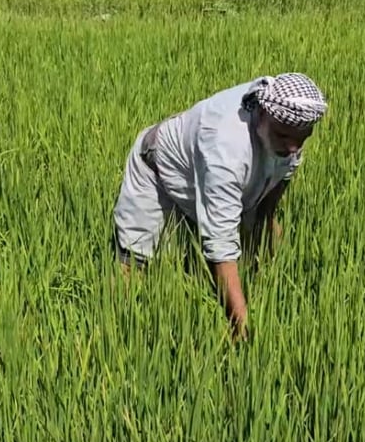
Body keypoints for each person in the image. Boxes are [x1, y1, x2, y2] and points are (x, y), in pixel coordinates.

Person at [112, 72, 328, 341]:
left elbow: (269, 204)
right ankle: (118, 330)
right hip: (156, 171)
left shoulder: (287, 130)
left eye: (303, 138)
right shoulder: (225, 146)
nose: (294, 148)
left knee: (229, 236)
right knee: (135, 258)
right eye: (285, 137)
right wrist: (244, 328)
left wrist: (283, 268)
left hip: (207, 168)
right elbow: (221, 244)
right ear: (262, 115)